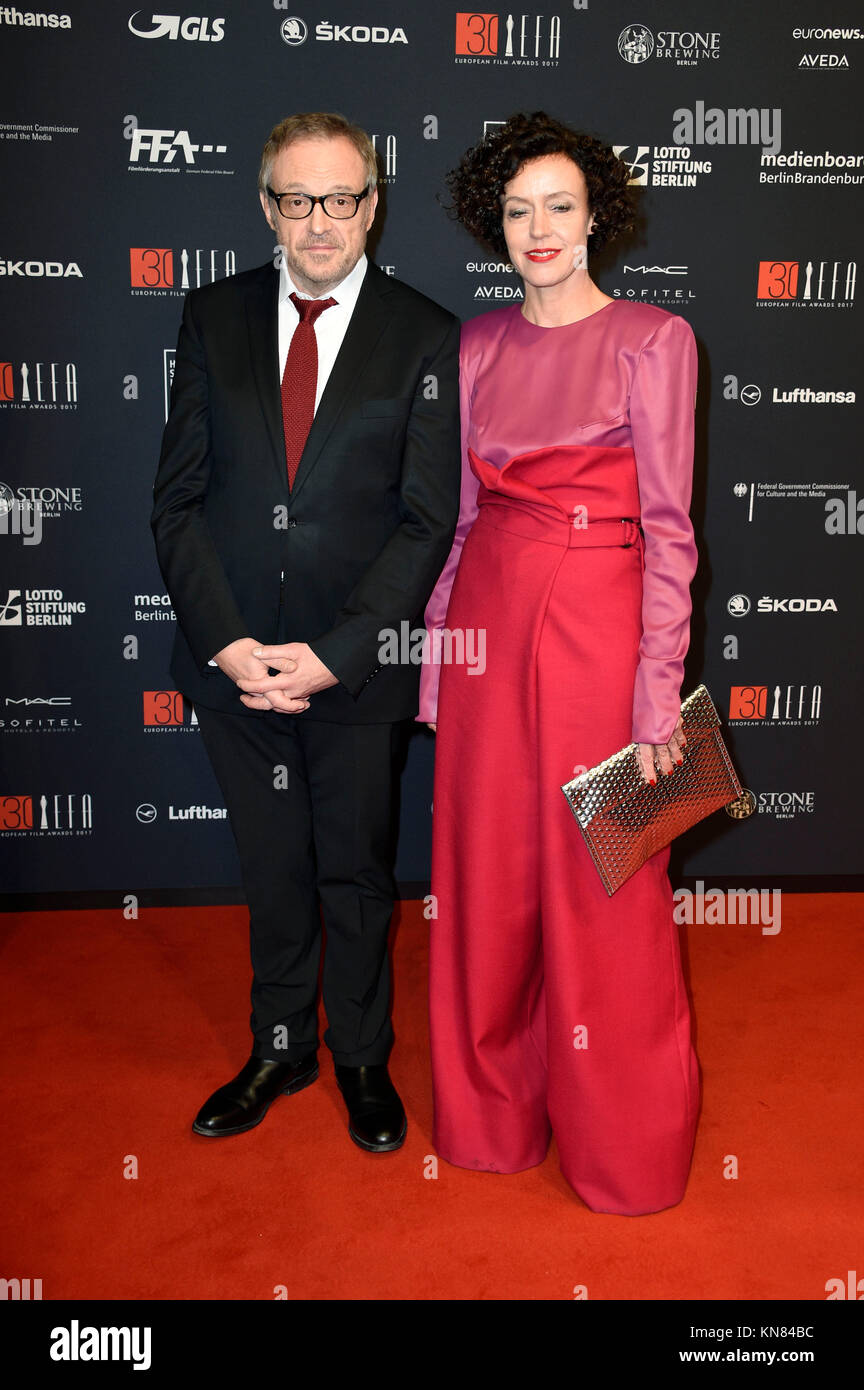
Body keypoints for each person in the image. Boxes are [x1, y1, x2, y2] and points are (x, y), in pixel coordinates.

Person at [152, 112, 460, 1152]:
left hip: (354, 666)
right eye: (297, 198)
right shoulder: (212, 315)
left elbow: (427, 519)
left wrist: (339, 652)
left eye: (341, 198)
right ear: (265, 203)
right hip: (236, 660)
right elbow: (178, 502)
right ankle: (281, 1043)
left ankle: (362, 1056)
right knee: (272, 861)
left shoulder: (425, 333)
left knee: (358, 872)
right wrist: (228, 642)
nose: (319, 222)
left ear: (372, 203)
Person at [418, 111, 700, 1215]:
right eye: (517, 209)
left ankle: (622, 1144)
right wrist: (440, 663)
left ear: (598, 218)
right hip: (489, 616)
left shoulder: (655, 338)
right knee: (486, 879)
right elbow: (456, 521)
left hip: (602, 624)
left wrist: (657, 689)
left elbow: (673, 528)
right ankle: (492, 1115)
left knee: (607, 885)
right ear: (496, 222)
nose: (538, 229)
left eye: (560, 207)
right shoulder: (476, 345)